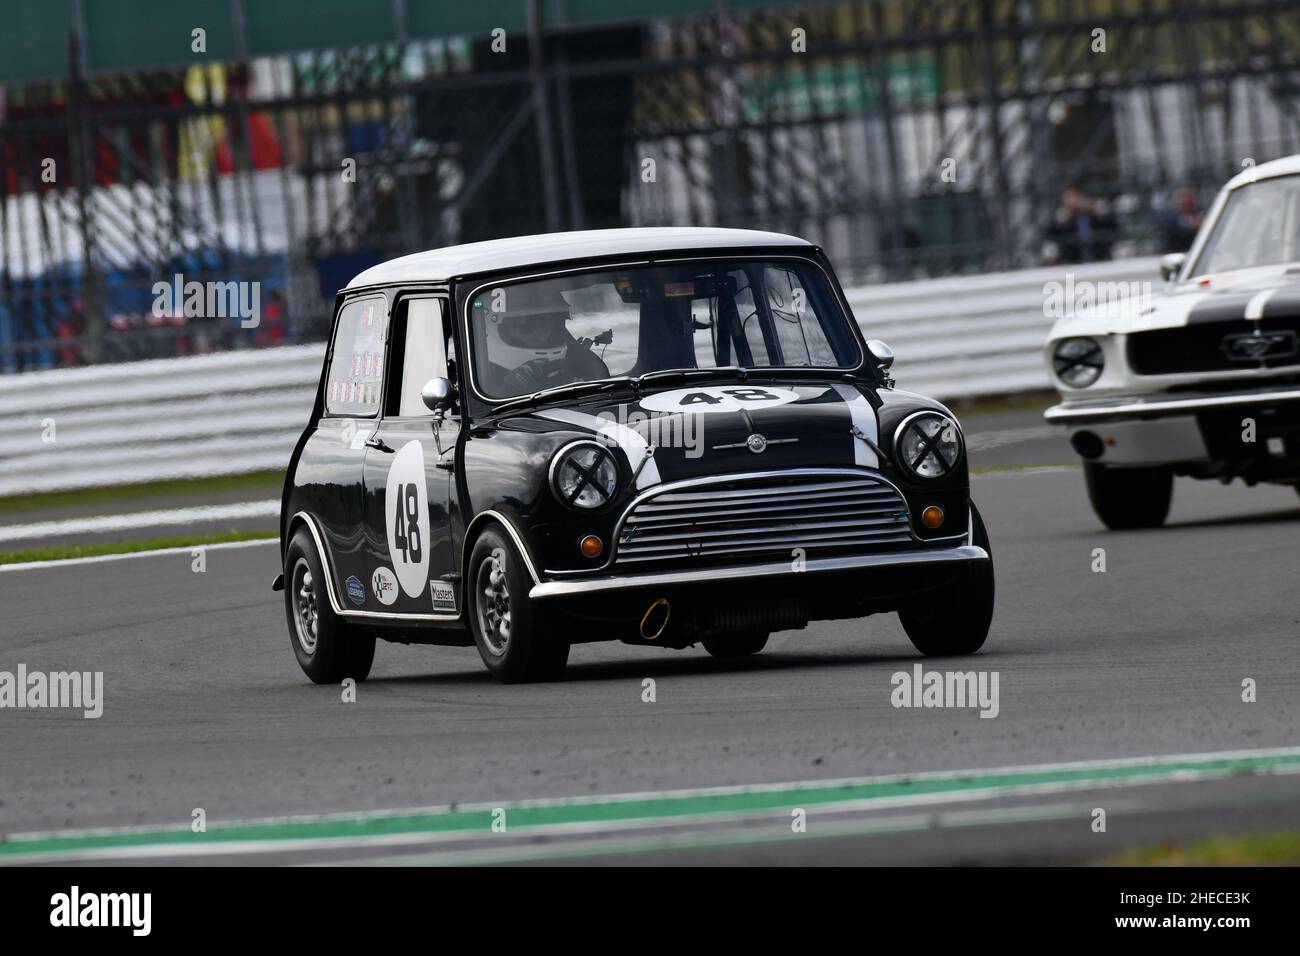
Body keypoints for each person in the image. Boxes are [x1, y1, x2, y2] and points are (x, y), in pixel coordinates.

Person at [480, 289, 609, 395]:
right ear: (494, 328)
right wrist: (507, 394)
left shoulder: (578, 366)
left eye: (553, 321)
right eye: (528, 324)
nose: (544, 335)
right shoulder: (478, 382)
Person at [1044, 186, 1117, 264]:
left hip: (1098, 260)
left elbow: (1111, 229)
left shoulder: (1094, 216)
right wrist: (1064, 221)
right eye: (1067, 199)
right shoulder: (1063, 218)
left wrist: (1097, 214)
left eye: (1073, 198)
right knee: (1069, 276)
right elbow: (1052, 236)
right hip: (1071, 264)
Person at [1160, 185, 1203, 253]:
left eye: (1188, 197)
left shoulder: (1201, 215)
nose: (1185, 200)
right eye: (1182, 197)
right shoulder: (1172, 220)